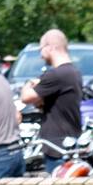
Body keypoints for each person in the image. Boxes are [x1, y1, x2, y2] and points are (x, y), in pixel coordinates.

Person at [20, 28, 81, 174]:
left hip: (57, 148)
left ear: (50, 47)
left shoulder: (56, 74)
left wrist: (28, 83)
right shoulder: (73, 72)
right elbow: (42, 102)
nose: (41, 56)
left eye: (41, 49)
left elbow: (26, 98)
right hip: (68, 142)